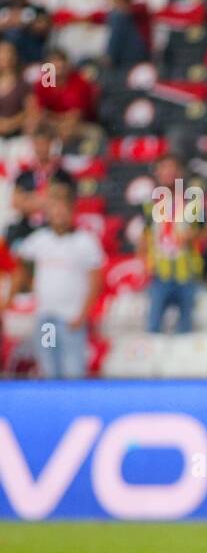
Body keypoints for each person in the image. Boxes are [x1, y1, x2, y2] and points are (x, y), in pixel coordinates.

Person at [14, 183, 103, 379]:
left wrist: (83, 314)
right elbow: (20, 263)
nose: (59, 214)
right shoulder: (40, 240)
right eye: (54, 210)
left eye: (63, 210)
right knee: (49, 368)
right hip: (47, 319)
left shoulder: (85, 242)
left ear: (71, 212)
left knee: (73, 371)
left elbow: (96, 282)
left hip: (71, 319)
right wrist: (28, 285)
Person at [138, 155, 204, 334]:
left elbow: (205, 229)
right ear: (157, 173)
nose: (168, 173)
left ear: (180, 172)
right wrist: (143, 262)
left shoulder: (192, 201)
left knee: (185, 327)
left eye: (172, 168)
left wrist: (192, 235)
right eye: (164, 168)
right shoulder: (150, 204)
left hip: (186, 272)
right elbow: (145, 235)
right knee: (153, 325)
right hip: (160, 272)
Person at [9, 124, 73, 246]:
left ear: (51, 144)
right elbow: (17, 203)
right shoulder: (24, 175)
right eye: (38, 144)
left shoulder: (62, 174)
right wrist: (48, 197)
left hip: (51, 227)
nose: (41, 148)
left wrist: (29, 198)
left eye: (44, 143)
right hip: (27, 227)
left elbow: (63, 202)